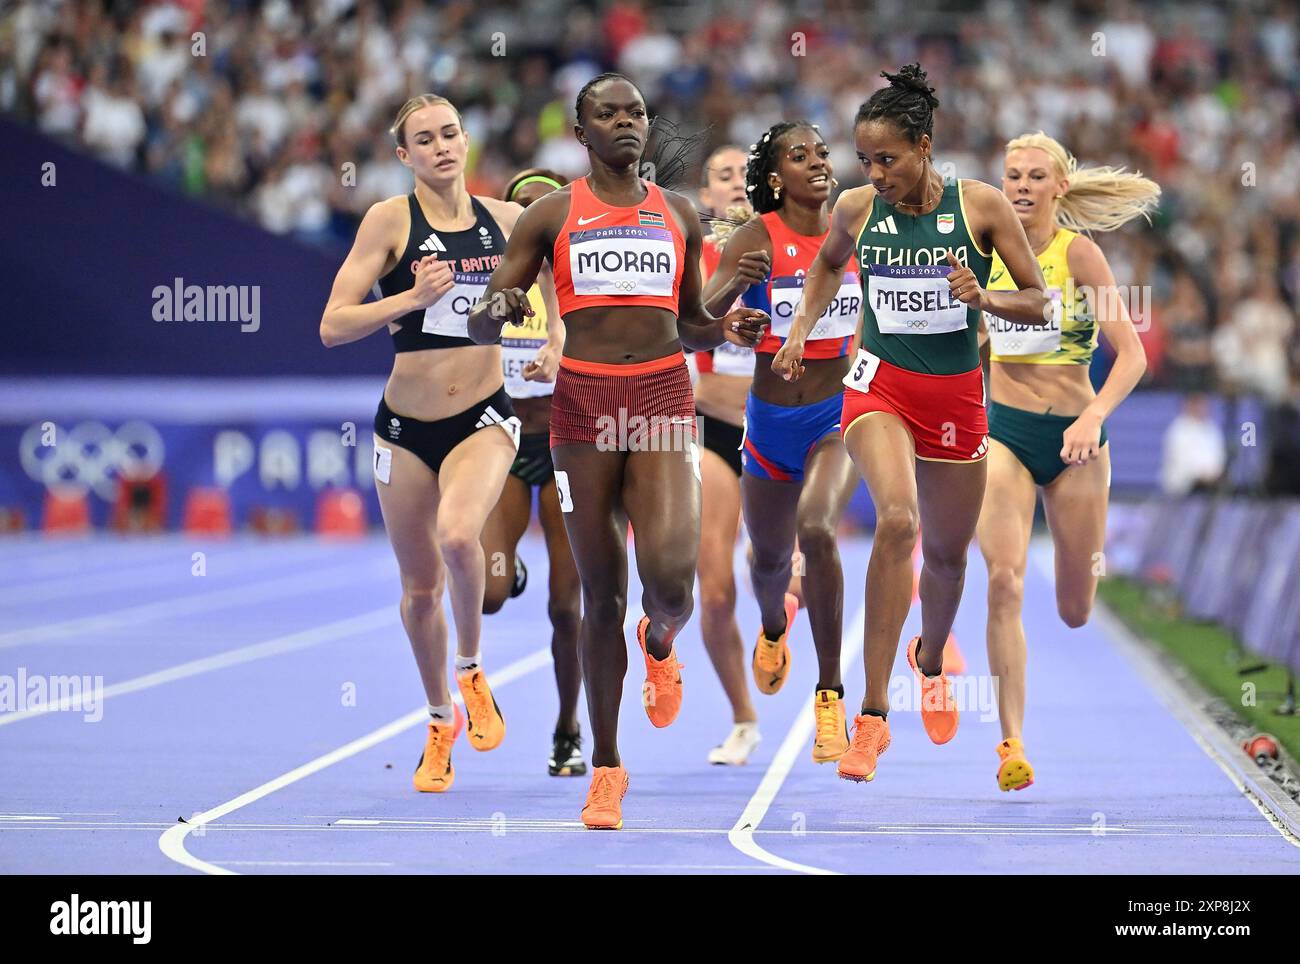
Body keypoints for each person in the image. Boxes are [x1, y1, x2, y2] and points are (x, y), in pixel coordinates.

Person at [467, 73, 767, 828]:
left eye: (636, 111)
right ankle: (605, 766)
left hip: (664, 399)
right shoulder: (551, 213)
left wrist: (727, 322)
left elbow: (690, 323)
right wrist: (497, 308)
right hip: (583, 408)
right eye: (609, 113)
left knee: (671, 582)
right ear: (582, 133)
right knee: (599, 596)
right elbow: (484, 318)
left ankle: (659, 643)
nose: (627, 122)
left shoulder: (679, 214)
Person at [772, 65, 1050, 785]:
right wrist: (803, 327)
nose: (874, 173)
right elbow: (827, 268)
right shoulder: (857, 209)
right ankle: (871, 718)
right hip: (879, 386)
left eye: (887, 159)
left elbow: (1039, 302)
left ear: (924, 147)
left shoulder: (982, 206)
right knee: (897, 521)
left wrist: (983, 297)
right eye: (865, 160)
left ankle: (930, 658)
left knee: (950, 561)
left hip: (956, 398)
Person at [319, 94, 523, 793]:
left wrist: (548, 337)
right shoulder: (387, 222)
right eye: (424, 139)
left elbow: (553, 298)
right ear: (404, 156)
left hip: (483, 419)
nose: (441, 146)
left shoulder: (508, 223)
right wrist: (407, 298)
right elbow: (333, 325)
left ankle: (470, 667)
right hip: (404, 430)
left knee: (461, 537)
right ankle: (439, 719)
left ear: (467, 141)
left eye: (450, 133)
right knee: (418, 590)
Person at [977, 131, 1156, 791]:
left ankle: (1079, 582)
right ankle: (1010, 742)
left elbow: (1131, 355)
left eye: (1033, 177)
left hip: (1078, 441)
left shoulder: (1078, 254)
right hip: (1004, 434)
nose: (1020, 186)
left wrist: (1093, 416)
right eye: (1011, 175)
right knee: (1004, 581)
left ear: (1058, 187)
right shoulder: (982, 253)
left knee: (1075, 609)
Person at [704, 121, 863, 765]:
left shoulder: (854, 227)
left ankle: (830, 698)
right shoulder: (754, 237)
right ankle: (774, 627)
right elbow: (698, 316)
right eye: (801, 156)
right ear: (775, 178)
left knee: (819, 529)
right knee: (768, 566)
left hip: (837, 417)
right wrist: (729, 317)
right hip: (767, 427)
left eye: (823, 153)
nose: (819, 163)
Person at [478, 168, 587, 777]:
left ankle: (568, 729)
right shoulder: (495, 284)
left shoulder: (578, 284)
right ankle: (506, 561)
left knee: (565, 607)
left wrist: (561, 347)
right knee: (491, 594)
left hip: (568, 443)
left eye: (542, 209)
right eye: (519, 210)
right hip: (505, 441)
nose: (530, 219)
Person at [692, 145, 765, 765]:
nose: (737, 185)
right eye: (724, 177)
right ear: (708, 196)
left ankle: (787, 638)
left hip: (784, 427)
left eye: (747, 175)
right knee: (714, 590)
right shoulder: (691, 260)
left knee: (785, 568)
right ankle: (744, 719)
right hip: (711, 426)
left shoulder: (801, 245)